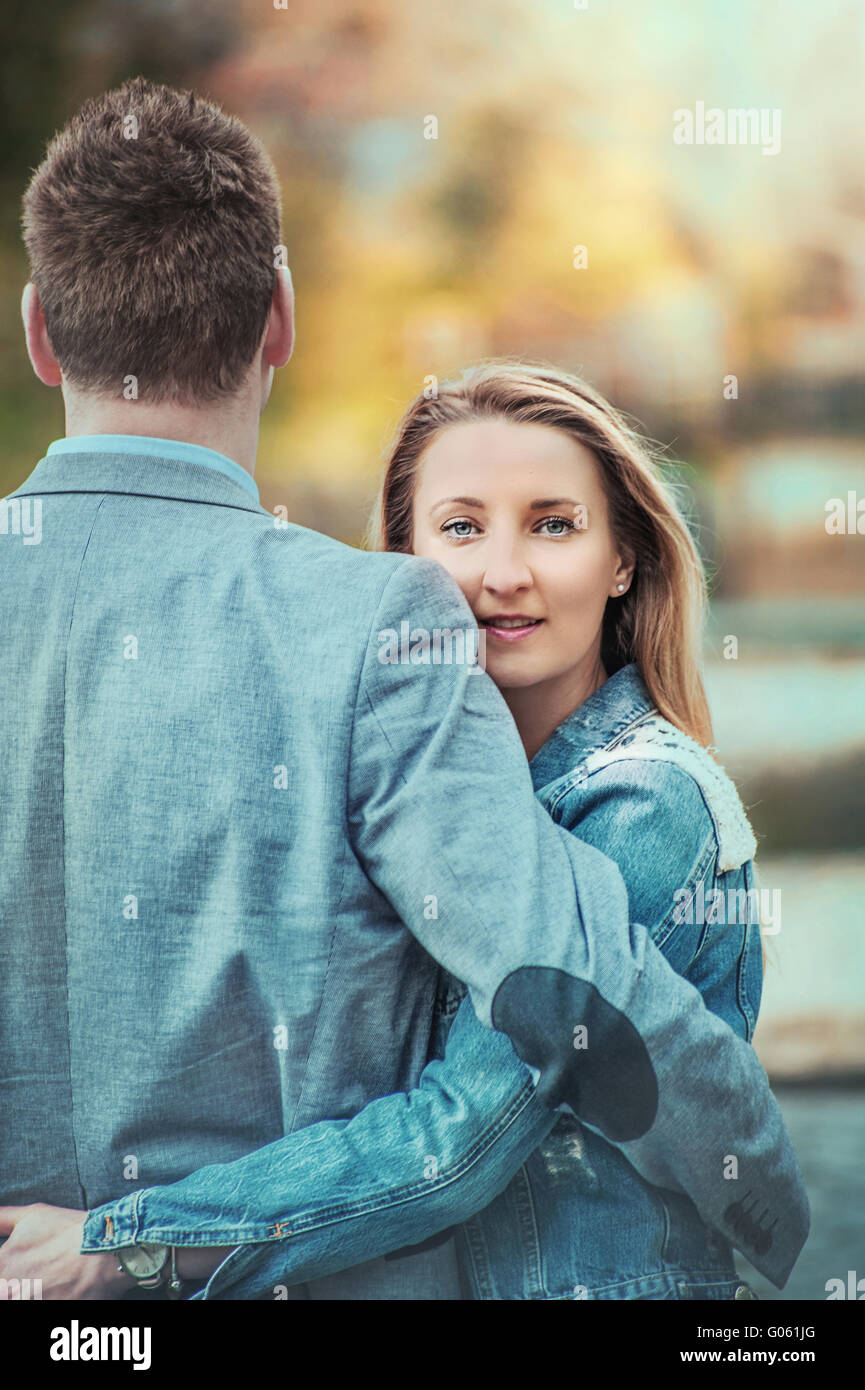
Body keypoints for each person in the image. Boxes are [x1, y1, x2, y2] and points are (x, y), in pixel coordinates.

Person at [0, 79, 808, 1301]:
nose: (501, 573)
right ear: (278, 318)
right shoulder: (372, 623)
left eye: (548, 524)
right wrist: (765, 1193)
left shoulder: (634, 787)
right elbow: (569, 986)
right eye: (464, 526)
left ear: (38, 332)